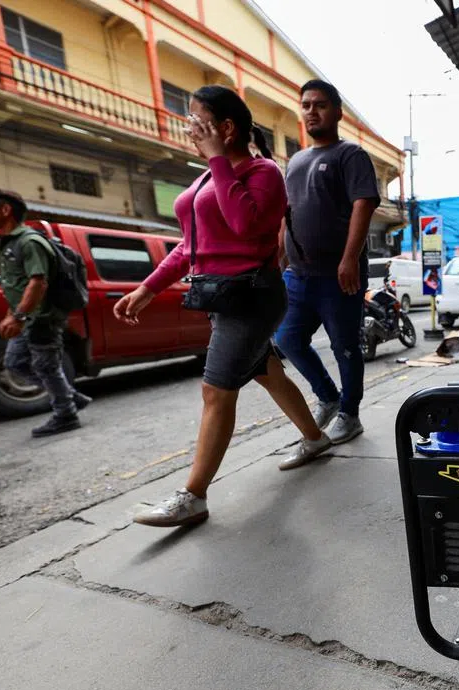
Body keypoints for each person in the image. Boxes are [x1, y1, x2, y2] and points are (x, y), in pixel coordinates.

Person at [112, 85, 330, 528]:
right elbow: (191, 246)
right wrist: (150, 287)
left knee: (216, 391)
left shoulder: (263, 171)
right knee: (266, 371)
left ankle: (193, 496)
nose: (189, 125)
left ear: (226, 128)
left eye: (196, 118)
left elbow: (247, 227)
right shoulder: (207, 178)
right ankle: (314, 437)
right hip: (219, 293)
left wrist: (216, 159)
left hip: (251, 294)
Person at [275, 79, 379, 445]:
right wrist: (278, 260)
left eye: (319, 104)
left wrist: (350, 258)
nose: (311, 111)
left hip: (339, 275)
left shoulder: (350, 155)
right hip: (297, 275)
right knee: (286, 338)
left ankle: (350, 414)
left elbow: (363, 204)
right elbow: (286, 216)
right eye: (305, 105)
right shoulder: (297, 161)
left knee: (345, 345)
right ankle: (329, 397)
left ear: (337, 112)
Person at [0, 189, 90, 438]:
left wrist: (17, 316)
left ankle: (66, 414)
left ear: (5, 210)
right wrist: (13, 313)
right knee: (14, 362)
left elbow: (38, 282)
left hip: (43, 318)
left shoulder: (30, 242)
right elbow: (17, 285)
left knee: (46, 366)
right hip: (26, 317)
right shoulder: (11, 242)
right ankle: (68, 396)